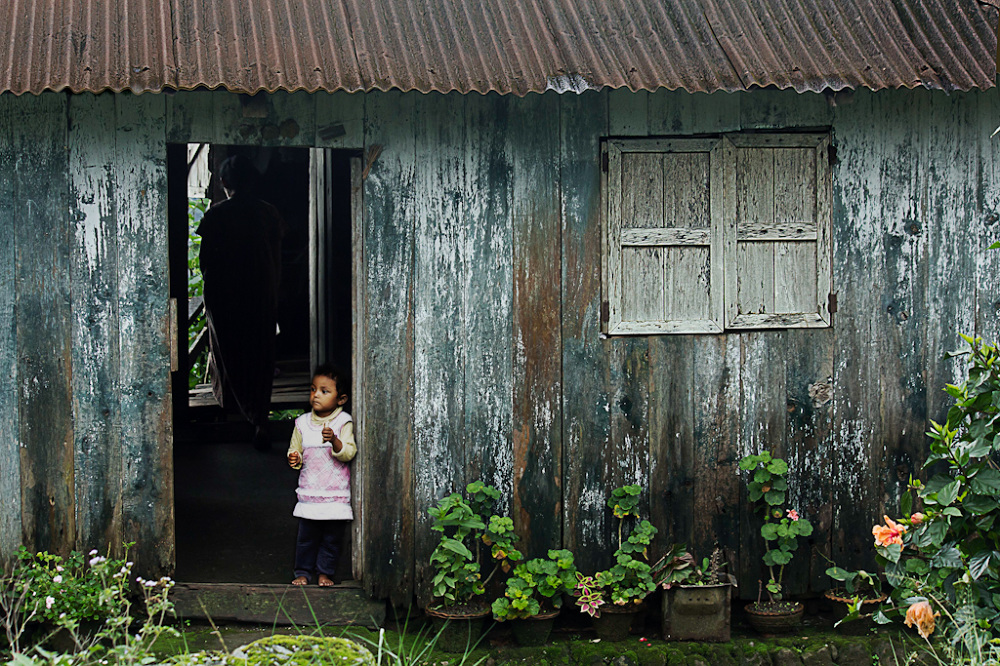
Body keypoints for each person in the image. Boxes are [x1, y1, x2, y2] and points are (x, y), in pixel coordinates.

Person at [197, 155, 283, 448]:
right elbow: (275, 257)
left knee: (229, 353)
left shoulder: (216, 216)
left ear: (223, 183)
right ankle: (258, 418)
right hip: (259, 291)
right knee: (260, 354)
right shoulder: (268, 213)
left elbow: (205, 261)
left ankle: (235, 415)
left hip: (225, 295)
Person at [287, 365, 356, 586]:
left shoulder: (343, 422)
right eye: (313, 389)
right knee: (306, 538)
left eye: (324, 391)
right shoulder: (302, 423)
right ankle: (302, 572)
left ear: (341, 398)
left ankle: (325, 573)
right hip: (310, 493)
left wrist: (335, 440)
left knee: (331, 539)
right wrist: (294, 458)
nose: (316, 394)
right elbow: (294, 449)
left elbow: (348, 452)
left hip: (335, 495)